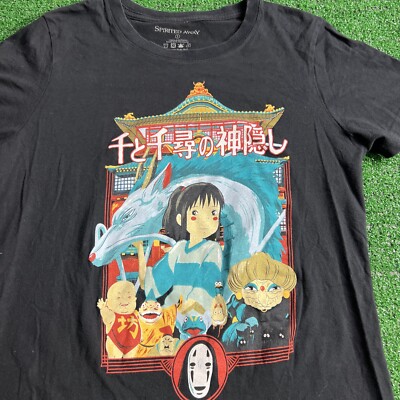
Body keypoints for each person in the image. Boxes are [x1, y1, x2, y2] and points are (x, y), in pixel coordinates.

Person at [138, 182, 227, 317]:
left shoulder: (213, 248)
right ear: (180, 219)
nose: (205, 219)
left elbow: (210, 282)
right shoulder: (179, 248)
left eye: (213, 213)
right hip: (174, 311)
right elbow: (156, 280)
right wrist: (140, 249)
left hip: (201, 313)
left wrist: (191, 304)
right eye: (195, 212)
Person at [222, 252, 297, 351]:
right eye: (251, 288)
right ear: (240, 292)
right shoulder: (238, 308)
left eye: (273, 289)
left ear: (284, 292)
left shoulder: (287, 308)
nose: (262, 298)